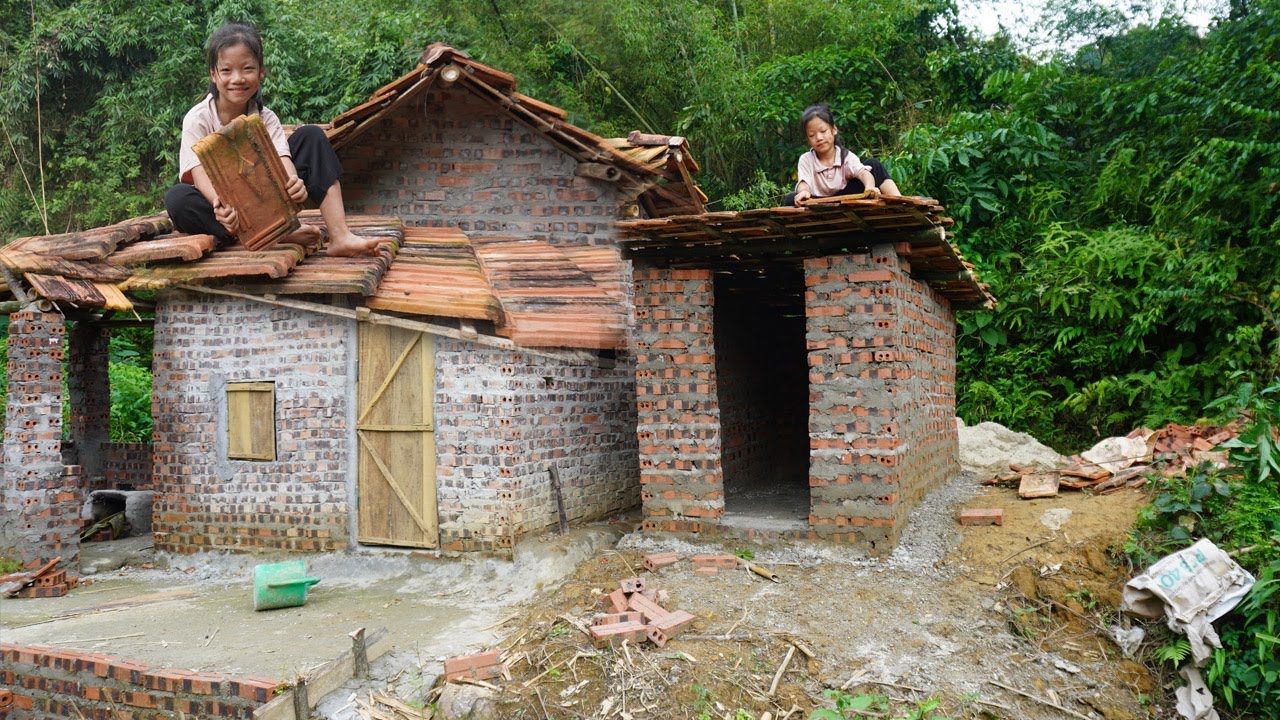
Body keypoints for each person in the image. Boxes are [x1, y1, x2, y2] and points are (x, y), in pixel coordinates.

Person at [164, 22, 380, 257]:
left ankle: (340, 236)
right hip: (227, 212)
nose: (237, 78)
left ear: (261, 72)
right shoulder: (198, 119)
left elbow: (282, 156)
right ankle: (273, 234)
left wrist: (293, 182)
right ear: (213, 75)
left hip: (266, 198)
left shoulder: (266, 117)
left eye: (247, 69)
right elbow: (197, 172)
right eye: (226, 71)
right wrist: (221, 205)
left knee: (312, 135)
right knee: (177, 199)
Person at [786, 104, 901, 206]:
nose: (819, 138)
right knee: (791, 199)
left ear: (834, 130)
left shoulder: (845, 156)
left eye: (823, 131)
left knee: (873, 165)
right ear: (808, 140)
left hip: (846, 199)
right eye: (812, 135)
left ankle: (901, 202)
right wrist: (804, 192)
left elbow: (863, 174)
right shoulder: (806, 159)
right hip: (818, 203)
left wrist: (869, 187)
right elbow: (804, 183)